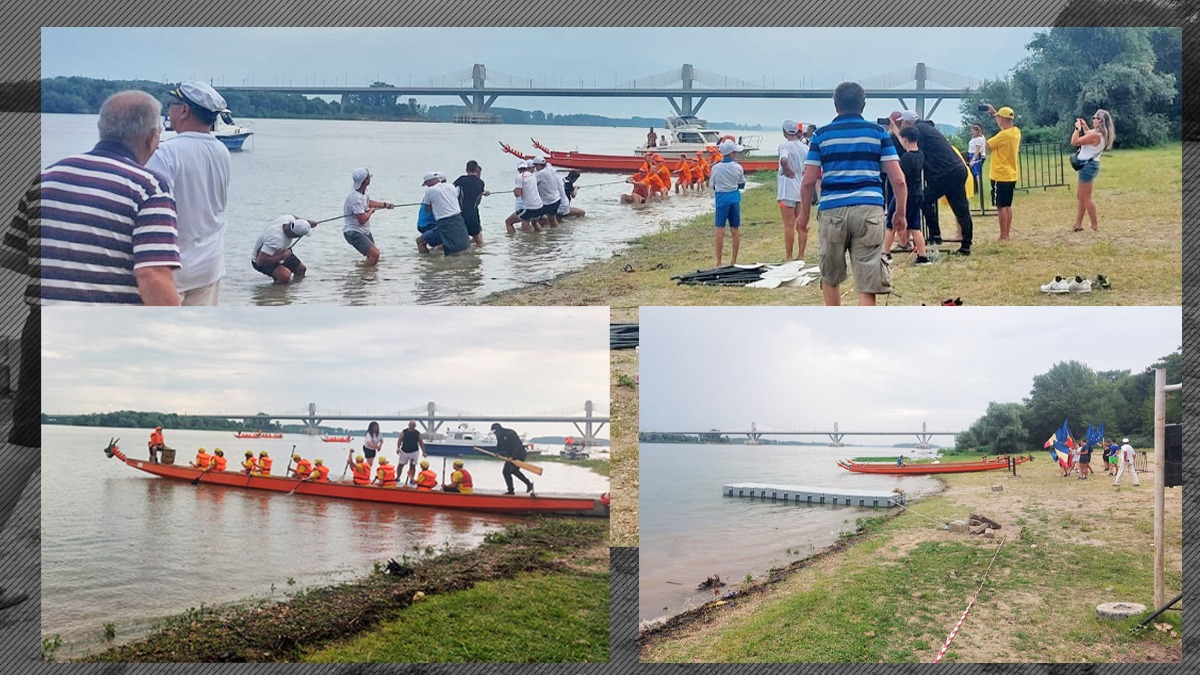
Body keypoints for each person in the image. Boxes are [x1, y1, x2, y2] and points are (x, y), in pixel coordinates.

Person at [34, 90, 181, 305]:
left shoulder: (46, 177)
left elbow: (13, 259)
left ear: (101, 128)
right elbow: (152, 274)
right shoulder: (148, 187)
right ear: (151, 138)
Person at [800, 82, 907, 306]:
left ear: (835, 105)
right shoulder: (878, 133)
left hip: (832, 210)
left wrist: (803, 216)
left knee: (830, 276)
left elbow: (808, 180)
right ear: (863, 105)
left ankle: (836, 323)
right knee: (868, 281)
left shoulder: (821, 135)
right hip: (869, 210)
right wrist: (900, 213)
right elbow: (898, 179)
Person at [147, 82, 231, 305]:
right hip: (210, 264)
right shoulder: (222, 151)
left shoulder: (165, 153)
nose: (168, 110)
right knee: (200, 327)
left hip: (173, 268)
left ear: (184, 110)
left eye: (172, 104)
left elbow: (151, 210)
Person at [896, 110, 972, 255]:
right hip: (957, 169)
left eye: (902, 123)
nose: (901, 126)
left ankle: (935, 235)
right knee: (961, 209)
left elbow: (915, 152)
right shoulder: (927, 128)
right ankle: (966, 245)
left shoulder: (918, 130)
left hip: (944, 174)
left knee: (922, 200)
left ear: (908, 122)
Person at [884, 125, 930, 265]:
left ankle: (885, 254)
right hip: (917, 194)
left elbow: (899, 179)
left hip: (905, 195)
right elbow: (905, 143)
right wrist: (894, 127)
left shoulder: (905, 158)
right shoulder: (920, 154)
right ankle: (922, 256)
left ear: (904, 140)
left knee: (891, 224)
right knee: (915, 227)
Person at [1070, 109, 1115, 232]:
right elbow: (1089, 133)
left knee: (1086, 198)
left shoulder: (1096, 135)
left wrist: (1077, 129)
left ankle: (1094, 225)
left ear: (1101, 121)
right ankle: (1078, 224)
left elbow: (1074, 142)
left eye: (1096, 118)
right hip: (1088, 166)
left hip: (1087, 167)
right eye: (1094, 117)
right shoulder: (1099, 134)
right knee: (1081, 196)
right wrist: (1084, 126)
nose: (1093, 120)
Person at [982, 105, 1021, 241]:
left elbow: (988, 145)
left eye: (999, 118)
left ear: (1003, 119)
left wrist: (981, 136)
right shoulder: (1016, 132)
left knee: (1001, 206)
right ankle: (1007, 233)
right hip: (1011, 174)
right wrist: (994, 113)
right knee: (1007, 205)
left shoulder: (1003, 135)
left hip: (1000, 174)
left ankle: (1003, 235)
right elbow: (1003, 127)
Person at [343, 167, 395, 266]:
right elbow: (362, 220)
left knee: (372, 255)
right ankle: (362, 273)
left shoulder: (363, 191)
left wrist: (385, 205)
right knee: (374, 254)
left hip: (364, 230)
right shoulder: (355, 197)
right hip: (353, 231)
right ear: (365, 181)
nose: (370, 178)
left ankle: (365, 273)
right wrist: (371, 211)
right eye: (369, 177)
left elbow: (368, 202)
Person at [777, 119, 810, 262]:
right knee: (802, 224)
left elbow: (783, 159)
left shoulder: (784, 146)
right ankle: (801, 255)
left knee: (789, 224)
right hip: (801, 190)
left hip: (787, 190)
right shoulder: (805, 148)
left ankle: (789, 256)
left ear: (785, 132)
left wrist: (786, 169)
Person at [711, 139, 747, 267]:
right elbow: (741, 184)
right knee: (735, 230)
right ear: (732, 153)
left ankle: (719, 262)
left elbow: (712, 185)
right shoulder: (737, 167)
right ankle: (734, 260)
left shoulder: (716, 168)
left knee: (719, 229)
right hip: (734, 198)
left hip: (721, 198)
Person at [251, 215, 314, 284]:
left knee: (301, 269)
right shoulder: (275, 239)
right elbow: (260, 262)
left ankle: (295, 288)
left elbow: (294, 217)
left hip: (281, 251)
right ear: (295, 235)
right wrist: (283, 256)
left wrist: (307, 223)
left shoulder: (286, 219)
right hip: (261, 259)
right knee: (285, 276)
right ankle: (277, 289)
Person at [420, 171, 471, 255]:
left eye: (427, 184)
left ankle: (427, 260)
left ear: (429, 181)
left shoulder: (430, 191)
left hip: (444, 223)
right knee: (458, 246)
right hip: (458, 220)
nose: (427, 186)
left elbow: (427, 209)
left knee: (420, 241)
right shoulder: (450, 186)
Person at [453, 160, 489, 247]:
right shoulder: (480, 182)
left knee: (458, 237)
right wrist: (482, 193)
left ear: (466, 169)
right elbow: (478, 201)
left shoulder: (462, 179)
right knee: (477, 237)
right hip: (473, 212)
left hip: (460, 212)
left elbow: (450, 189)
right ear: (476, 169)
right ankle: (480, 253)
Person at [491, 422, 534, 495]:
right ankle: (510, 491)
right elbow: (499, 445)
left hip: (519, 454)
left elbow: (517, 446)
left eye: (495, 431)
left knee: (513, 470)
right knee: (505, 472)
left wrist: (513, 457)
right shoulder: (499, 436)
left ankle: (529, 484)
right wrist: (496, 452)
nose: (494, 433)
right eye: (493, 432)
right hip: (510, 455)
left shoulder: (510, 433)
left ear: (499, 429)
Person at [530, 157, 563, 227]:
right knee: (552, 219)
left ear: (540, 165)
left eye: (535, 165)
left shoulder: (540, 173)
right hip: (556, 199)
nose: (535, 168)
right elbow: (548, 164)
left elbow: (531, 183)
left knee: (533, 220)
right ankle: (558, 232)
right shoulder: (551, 168)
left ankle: (539, 232)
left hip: (547, 202)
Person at [397, 421, 427, 485]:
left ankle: (411, 479)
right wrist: (398, 448)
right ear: (408, 425)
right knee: (400, 465)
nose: (411, 426)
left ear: (415, 426)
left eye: (413, 425)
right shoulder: (404, 432)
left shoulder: (417, 433)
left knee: (412, 466)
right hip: (404, 450)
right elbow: (399, 440)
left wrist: (423, 451)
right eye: (410, 425)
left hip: (414, 451)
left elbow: (421, 442)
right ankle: (398, 477)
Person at [967, 123, 986, 195]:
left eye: (973, 131)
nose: (972, 132)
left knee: (977, 173)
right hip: (970, 154)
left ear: (977, 131)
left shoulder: (979, 139)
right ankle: (975, 189)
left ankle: (979, 189)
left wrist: (973, 159)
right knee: (973, 173)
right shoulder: (973, 138)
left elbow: (977, 150)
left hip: (975, 155)